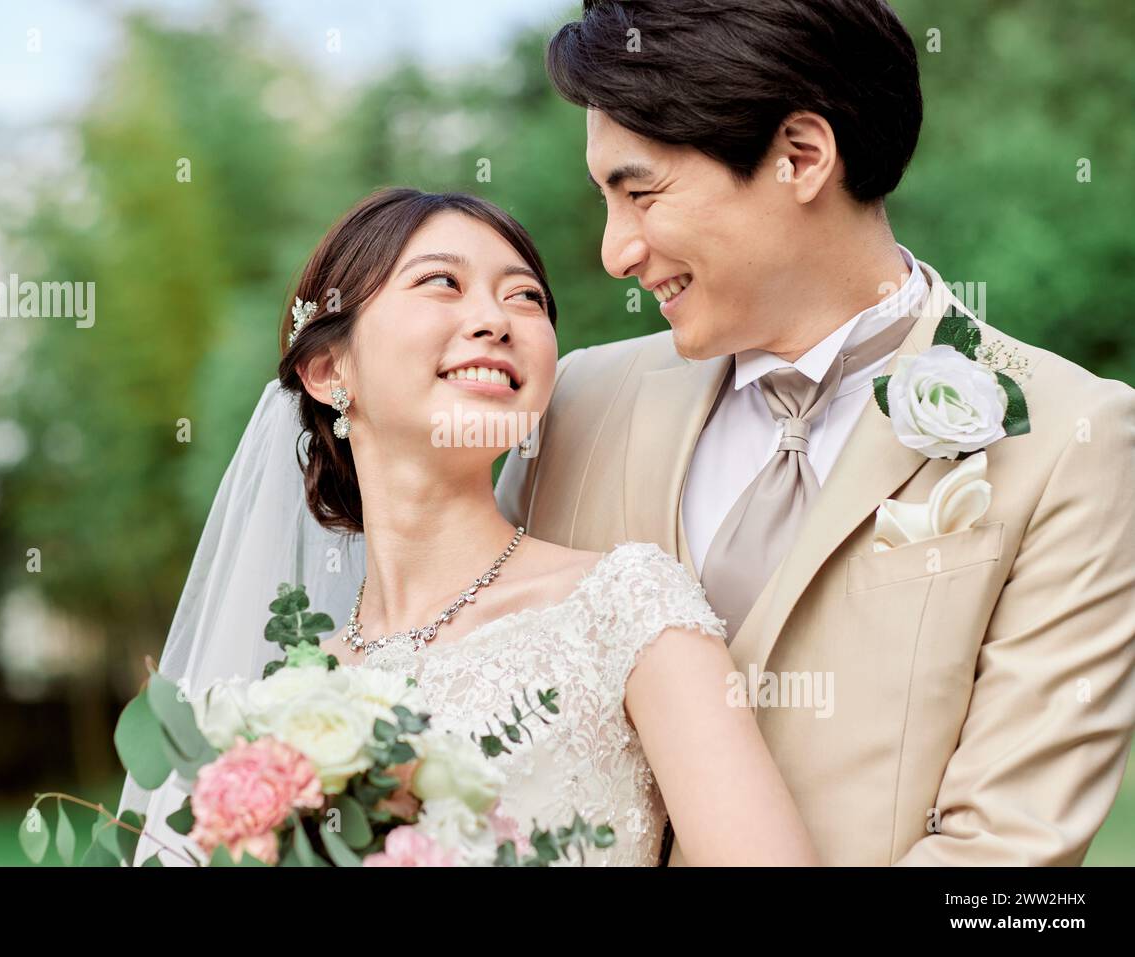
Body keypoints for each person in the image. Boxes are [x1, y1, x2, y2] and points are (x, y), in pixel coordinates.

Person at [497, 0, 1135, 865]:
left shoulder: (1071, 437)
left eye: (640, 193)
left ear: (801, 156)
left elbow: (1008, 863)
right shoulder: (577, 403)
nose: (617, 252)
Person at [121, 187, 818, 866]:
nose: (496, 319)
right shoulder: (278, 703)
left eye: (526, 298)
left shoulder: (628, 608)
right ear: (330, 368)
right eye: (441, 284)